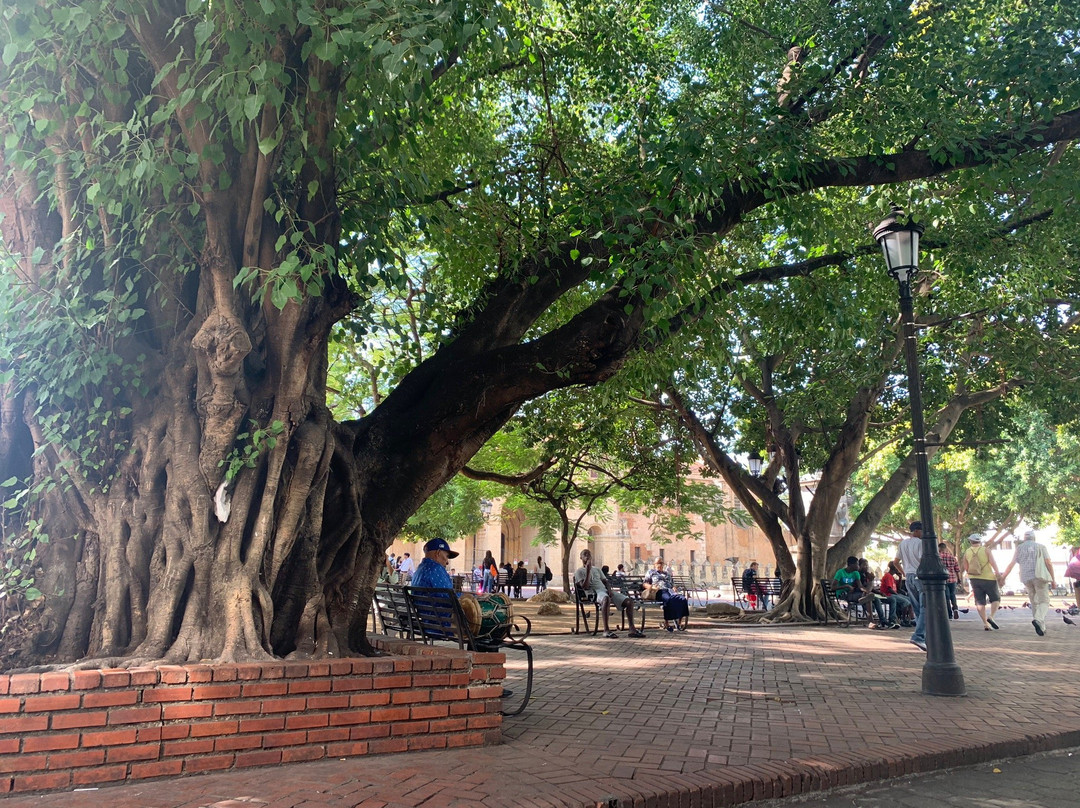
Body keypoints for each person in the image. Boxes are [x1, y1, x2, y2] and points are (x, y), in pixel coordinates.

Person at [575, 549, 643, 638]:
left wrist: (610, 590)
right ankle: (606, 630)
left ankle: (632, 629)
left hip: (605, 591)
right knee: (606, 599)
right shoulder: (579, 571)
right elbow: (585, 587)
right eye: (585, 554)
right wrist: (588, 571)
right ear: (581, 557)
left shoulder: (597, 569)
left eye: (589, 554)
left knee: (629, 601)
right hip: (593, 593)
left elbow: (605, 582)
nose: (587, 556)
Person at [1001, 529, 1056, 636]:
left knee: (1034, 601)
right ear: (1034, 538)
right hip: (1039, 577)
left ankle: (1042, 627)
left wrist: (1003, 577)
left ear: (1024, 538)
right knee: (1044, 601)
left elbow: (1012, 563)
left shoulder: (1019, 548)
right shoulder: (1041, 547)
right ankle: (1038, 619)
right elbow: (1048, 563)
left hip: (1026, 578)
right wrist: (1053, 579)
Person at [961, 533, 1003, 631]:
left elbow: (966, 567)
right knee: (996, 598)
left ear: (970, 541)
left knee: (980, 601)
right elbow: (993, 562)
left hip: (974, 579)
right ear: (980, 541)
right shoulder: (986, 550)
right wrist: (998, 574)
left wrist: (971, 574)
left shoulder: (967, 552)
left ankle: (985, 623)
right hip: (989, 578)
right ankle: (991, 616)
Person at [895, 521, 927, 651]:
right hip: (920, 576)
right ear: (917, 531)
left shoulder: (903, 543)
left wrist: (904, 572)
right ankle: (919, 636)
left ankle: (923, 639)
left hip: (908, 577)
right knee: (926, 607)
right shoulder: (920, 543)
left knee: (918, 608)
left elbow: (895, 562)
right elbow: (923, 560)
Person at [642, 557, 690, 631]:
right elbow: (644, 584)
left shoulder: (667, 574)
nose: (659, 565)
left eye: (661, 563)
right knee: (668, 599)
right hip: (659, 591)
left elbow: (672, 584)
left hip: (670, 590)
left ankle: (679, 622)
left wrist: (674, 587)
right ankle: (666, 622)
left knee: (682, 599)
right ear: (654, 564)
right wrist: (652, 587)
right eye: (658, 563)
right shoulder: (651, 572)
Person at [878, 563, 912, 628]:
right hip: (888, 594)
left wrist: (900, 578)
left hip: (893, 594)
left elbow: (898, 588)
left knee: (909, 600)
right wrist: (897, 595)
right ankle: (903, 619)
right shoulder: (888, 576)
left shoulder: (892, 577)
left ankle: (908, 619)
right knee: (906, 602)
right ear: (895, 568)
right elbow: (889, 589)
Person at [938, 542, 961, 619]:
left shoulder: (938, 558)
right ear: (945, 548)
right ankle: (955, 609)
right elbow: (957, 570)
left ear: (939, 549)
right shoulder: (953, 557)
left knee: (946, 597)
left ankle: (949, 614)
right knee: (953, 595)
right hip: (953, 579)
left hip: (943, 580)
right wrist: (959, 579)